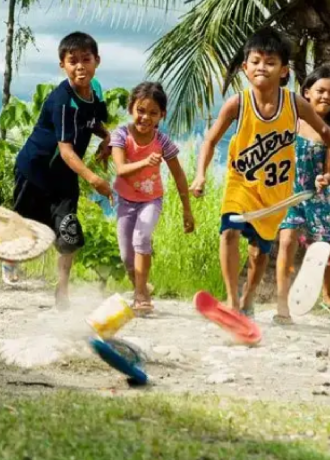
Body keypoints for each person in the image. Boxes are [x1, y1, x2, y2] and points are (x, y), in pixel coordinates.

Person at [190, 30, 330, 315]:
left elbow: (328, 132)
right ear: (245, 68)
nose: (262, 67)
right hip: (242, 184)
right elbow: (210, 140)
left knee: (260, 249)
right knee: (228, 232)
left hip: (275, 192)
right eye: (256, 61)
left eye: (270, 62)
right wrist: (200, 174)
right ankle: (231, 299)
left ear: (284, 70)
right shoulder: (237, 103)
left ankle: (249, 297)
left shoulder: (294, 104)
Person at [11, 31, 112, 309]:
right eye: (73, 61)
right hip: (35, 171)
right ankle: (9, 260)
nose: (80, 66)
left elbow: (94, 121)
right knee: (24, 229)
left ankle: (62, 292)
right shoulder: (62, 101)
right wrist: (94, 179)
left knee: (69, 235)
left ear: (97, 61)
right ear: (62, 66)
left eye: (86, 59)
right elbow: (66, 150)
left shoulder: (97, 89)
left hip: (64, 178)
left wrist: (108, 137)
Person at [273, 65, 330, 322]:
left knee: (328, 251)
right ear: (306, 92)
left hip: (317, 196)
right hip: (289, 195)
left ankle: (328, 296)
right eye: (320, 91)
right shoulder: (290, 122)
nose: (326, 97)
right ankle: (281, 301)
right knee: (286, 242)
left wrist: (326, 177)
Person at [109, 81, 194, 315]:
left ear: (162, 115)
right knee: (127, 256)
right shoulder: (121, 135)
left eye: (153, 113)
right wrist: (146, 162)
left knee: (141, 237)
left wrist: (187, 209)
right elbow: (120, 169)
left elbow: (178, 175)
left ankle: (140, 295)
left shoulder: (162, 141)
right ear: (131, 109)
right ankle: (141, 286)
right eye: (141, 111)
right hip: (126, 202)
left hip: (151, 200)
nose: (146, 117)